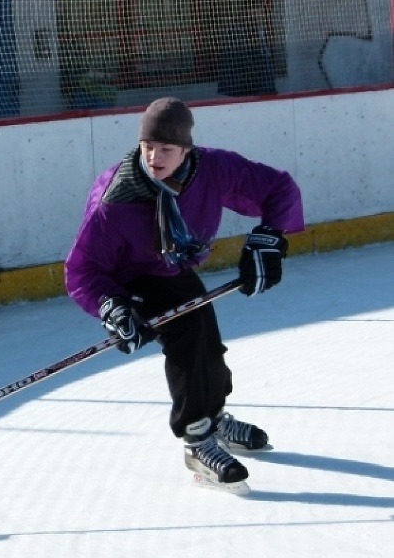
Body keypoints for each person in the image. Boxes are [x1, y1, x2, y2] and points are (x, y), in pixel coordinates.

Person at [64, 97, 304, 493]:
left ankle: (215, 417)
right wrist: (112, 307)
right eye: (148, 147)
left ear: (187, 151)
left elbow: (278, 187)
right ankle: (197, 438)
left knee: (207, 340)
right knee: (188, 336)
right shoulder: (114, 200)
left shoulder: (212, 168)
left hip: (173, 266)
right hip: (130, 278)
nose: (155, 157)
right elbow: (82, 269)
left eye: (166, 149)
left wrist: (269, 236)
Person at [217, 0, 277, 97]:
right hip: (241, 89)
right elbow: (242, 62)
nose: (260, 14)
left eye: (261, 10)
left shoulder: (259, 30)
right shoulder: (235, 31)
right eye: (257, 10)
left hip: (262, 89)